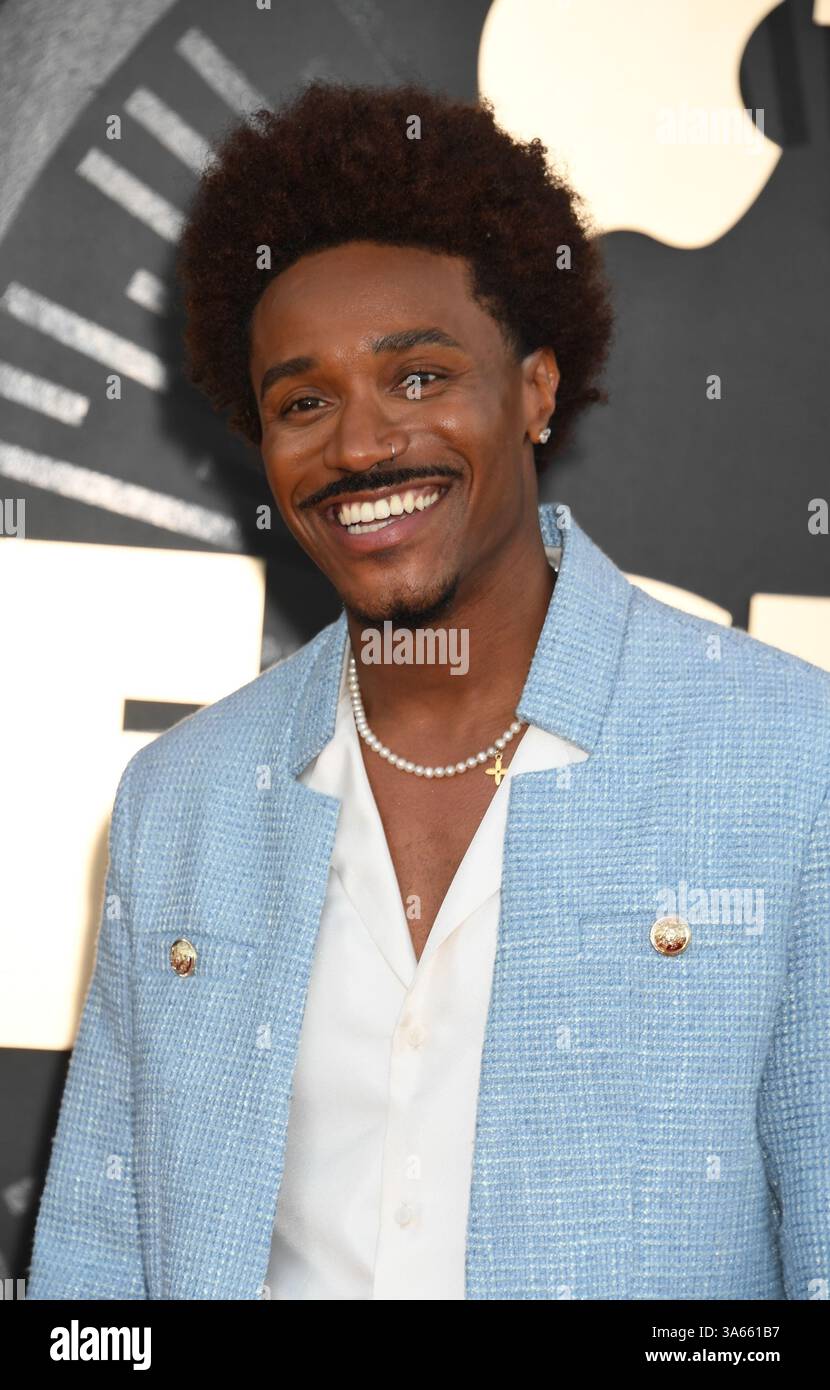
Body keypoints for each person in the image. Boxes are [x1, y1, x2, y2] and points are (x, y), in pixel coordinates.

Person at [27, 81, 829, 1301]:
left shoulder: (785, 761)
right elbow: (97, 1278)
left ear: (535, 388)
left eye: (415, 378)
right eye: (302, 403)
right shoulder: (182, 801)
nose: (356, 446)